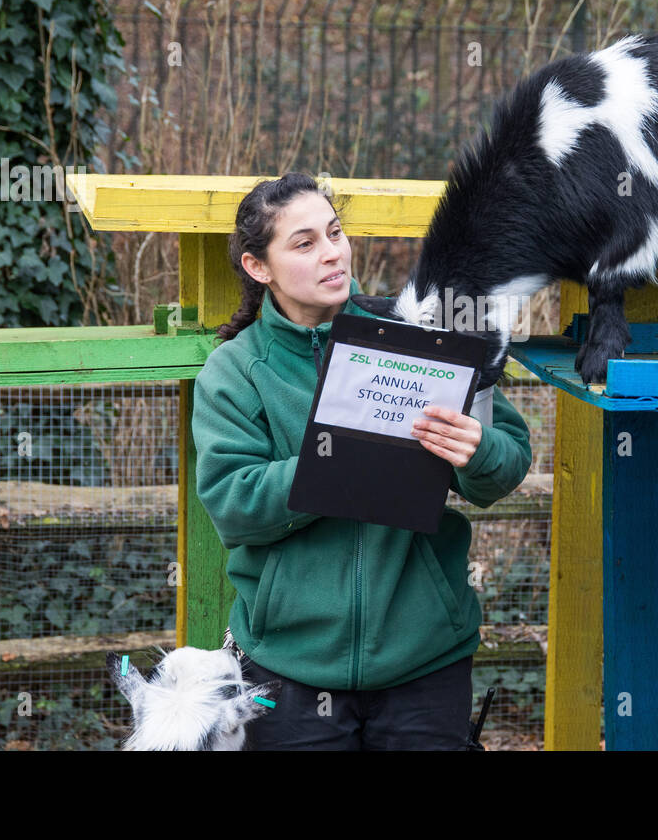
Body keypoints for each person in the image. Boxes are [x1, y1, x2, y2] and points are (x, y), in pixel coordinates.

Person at [191, 172, 533, 750]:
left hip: (424, 660)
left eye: (335, 232)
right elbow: (235, 505)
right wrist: (342, 455)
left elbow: (507, 462)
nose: (332, 253)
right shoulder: (236, 370)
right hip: (291, 665)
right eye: (304, 244)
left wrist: (476, 450)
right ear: (259, 267)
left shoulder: (418, 336)